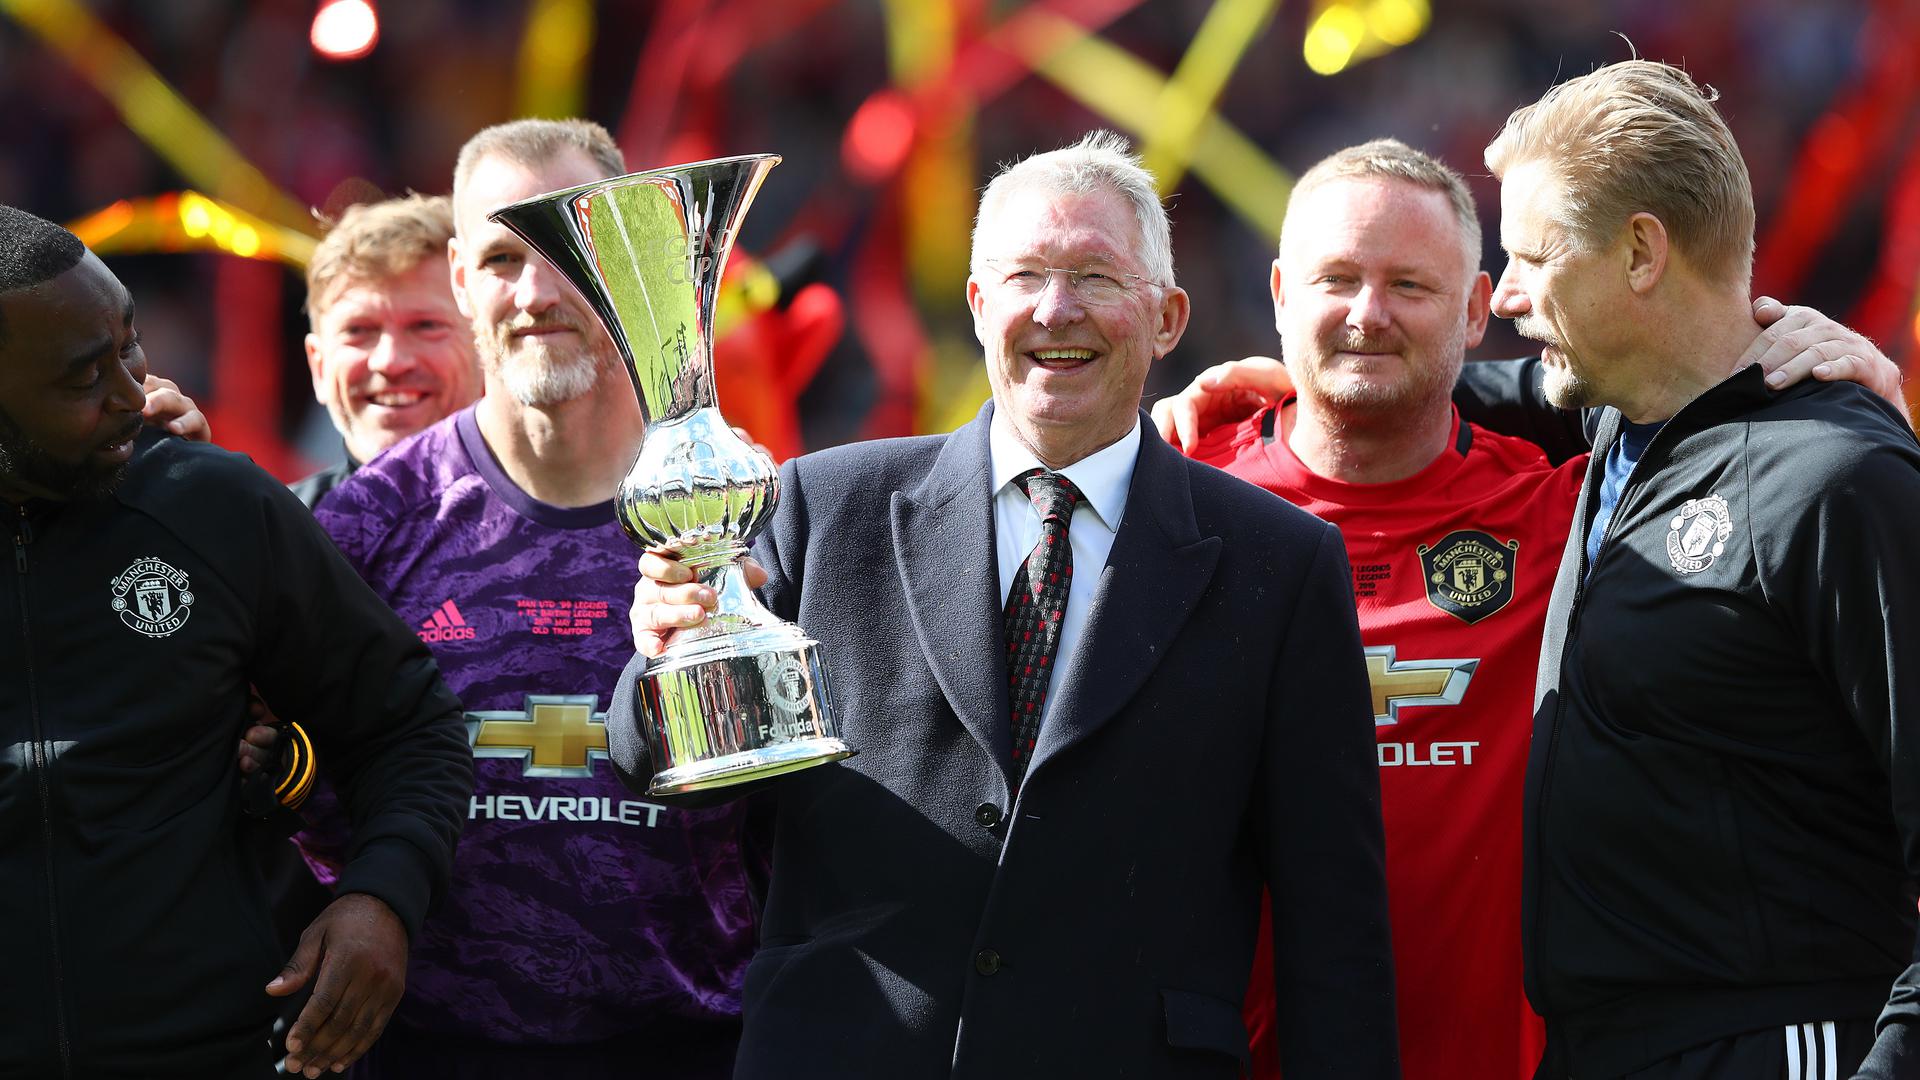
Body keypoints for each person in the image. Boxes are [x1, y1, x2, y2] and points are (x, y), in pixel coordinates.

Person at [619, 131, 1398, 1078]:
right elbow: (656, 765)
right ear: (980, 305)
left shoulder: (1280, 563)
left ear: (1168, 317)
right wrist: (667, 655)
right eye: (1025, 275)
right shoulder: (819, 507)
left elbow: (1334, 926)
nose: (1056, 309)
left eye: (1097, 277)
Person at [1150, 135, 1909, 1078]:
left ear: (1473, 312)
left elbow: (1679, 388)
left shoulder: (1575, 506)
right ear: (1276, 295)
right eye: (1335, 279)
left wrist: (1796, 370)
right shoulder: (1168, 501)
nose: (1366, 313)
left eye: (1412, 288)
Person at [1483, 59, 1920, 1079]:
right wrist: (1293, 393)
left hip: (1781, 1047)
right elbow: (1436, 407)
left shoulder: (1839, 478)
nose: (1502, 297)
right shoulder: (1607, 424)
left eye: (1531, 258)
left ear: (1641, 252)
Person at [296, 118, 756, 1078]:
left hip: (699, 1049)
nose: (537, 293)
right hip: (423, 1053)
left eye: (569, 250)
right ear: (461, 279)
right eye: (505, 258)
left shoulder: (745, 507)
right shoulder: (363, 529)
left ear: (634, 261)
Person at [0, 205, 473, 1078]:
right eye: (81, 379)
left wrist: (381, 899)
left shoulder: (212, 506)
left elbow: (409, 729)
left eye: (129, 344)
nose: (134, 395)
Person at [294, 194, 480, 506]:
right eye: (358, 331)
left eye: (426, 326)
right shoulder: (270, 538)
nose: (391, 361)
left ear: (484, 346)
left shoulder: (563, 525)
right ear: (319, 366)